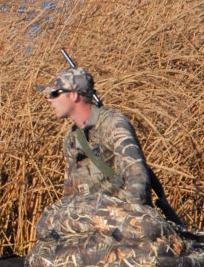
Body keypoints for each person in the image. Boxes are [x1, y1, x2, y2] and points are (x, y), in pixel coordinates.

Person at [38, 67, 163, 213]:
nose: (49, 99)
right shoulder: (71, 138)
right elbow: (69, 192)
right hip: (92, 217)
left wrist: (133, 216)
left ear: (73, 95)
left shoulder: (113, 124)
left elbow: (137, 175)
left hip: (123, 215)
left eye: (55, 93)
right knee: (48, 222)